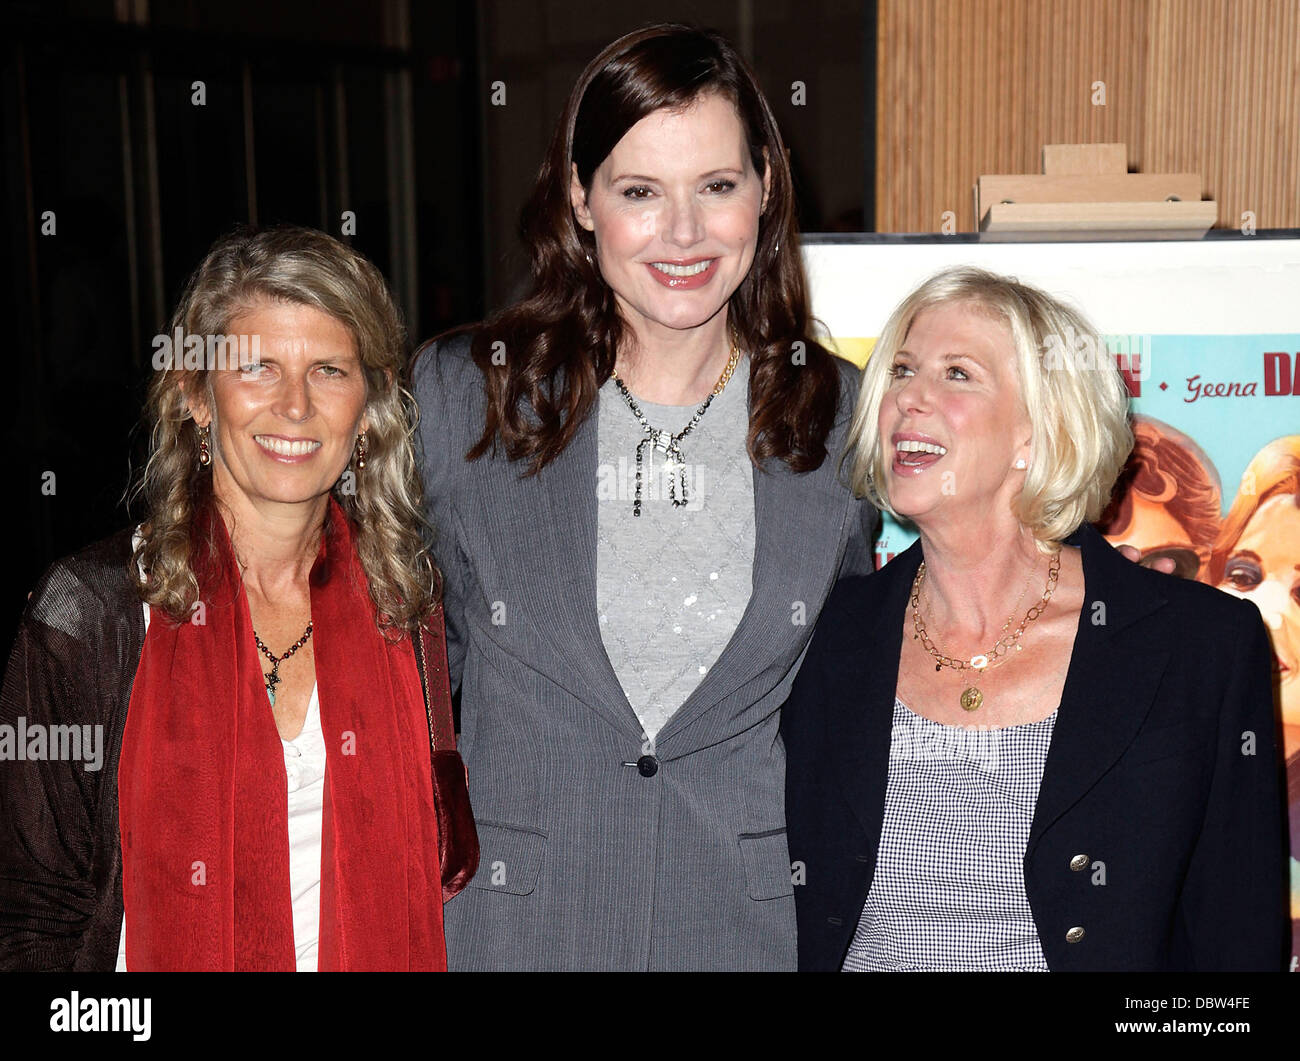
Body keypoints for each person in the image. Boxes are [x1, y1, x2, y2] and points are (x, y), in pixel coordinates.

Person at [413, 23, 874, 970]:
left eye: (716, 186)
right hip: (511, 931)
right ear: (580, 200)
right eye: (638, 193)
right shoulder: (470, 395)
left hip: (741, 930)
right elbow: (394, 663)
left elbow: (851, 704)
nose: (683, 234)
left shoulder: (839, 421)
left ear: (766, 189)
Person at [783, 266, 1288, 971]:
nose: (908, 398)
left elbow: (1236, 941)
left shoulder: (1198, 647)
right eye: (901, 369)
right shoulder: (829, 636)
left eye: (957, 374)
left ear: (1037, 430)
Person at [0, 225, 457, 971]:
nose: (296, 405)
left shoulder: (408, 604)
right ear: (195, 396)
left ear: (369, 408)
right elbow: (29, 921)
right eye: (259, 368)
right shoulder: (93, 612)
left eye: (330, 370)